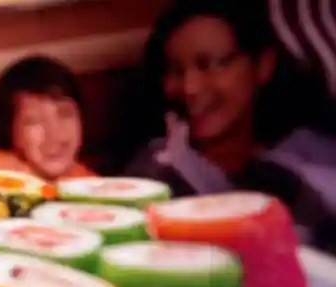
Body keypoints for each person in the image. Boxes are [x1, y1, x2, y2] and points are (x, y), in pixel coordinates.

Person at [126, 0, 336, 245]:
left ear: (263, 65)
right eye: (175, 70)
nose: (190, 87)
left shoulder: (307, 158)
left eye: (210, 65)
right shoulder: (155, 176)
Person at [0, 55, 97, 181]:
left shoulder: (85, 179)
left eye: (65, 114)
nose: (54, 133)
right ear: (10, 131)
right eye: (34, 120)